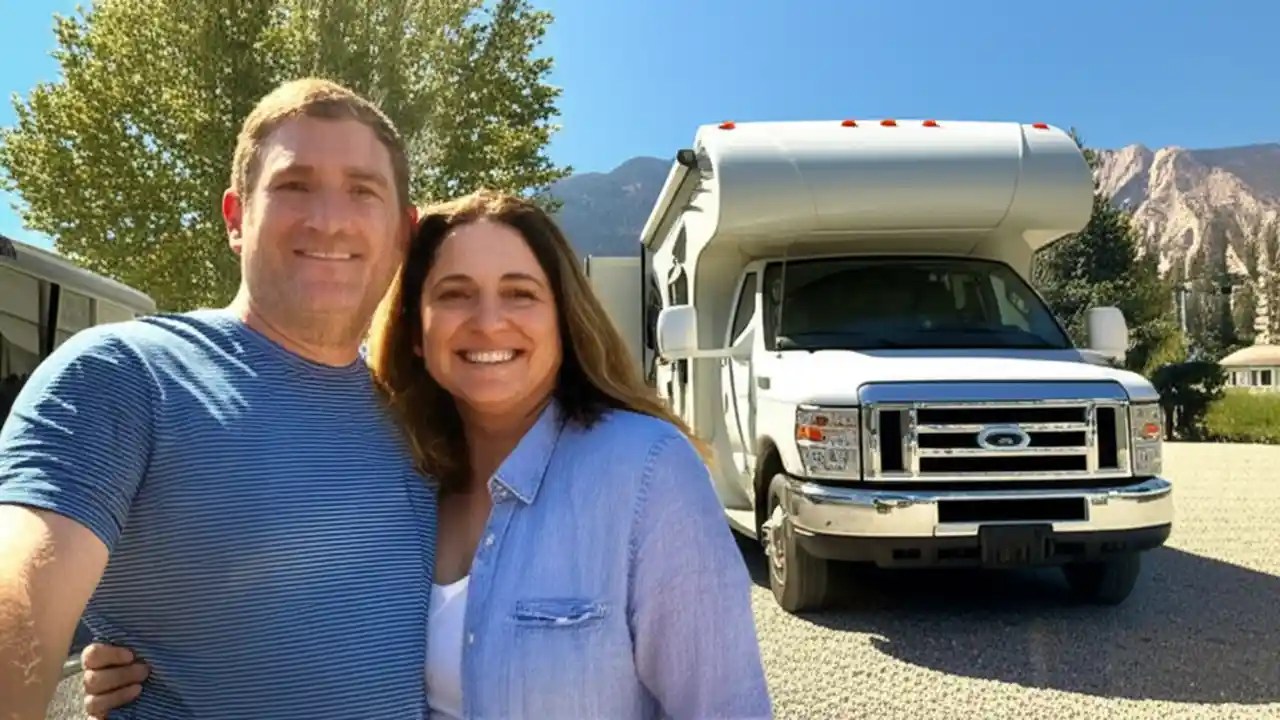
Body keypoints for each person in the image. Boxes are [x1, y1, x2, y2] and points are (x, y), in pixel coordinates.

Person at [77, 189, 774, 719]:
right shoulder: (387, 474)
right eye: (455, 294)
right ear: (417, 331)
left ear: (564, 319)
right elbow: (277, 616)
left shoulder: (645, 471)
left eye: (520, 294)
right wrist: (149, 658)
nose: (489, 321)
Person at [0, 77, 435, 719]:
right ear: (236, 218)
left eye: (362, 191)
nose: (329, 219)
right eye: (294, 185)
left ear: (403, 232)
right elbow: (20, 604)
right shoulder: (124, 376)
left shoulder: (425, 415)